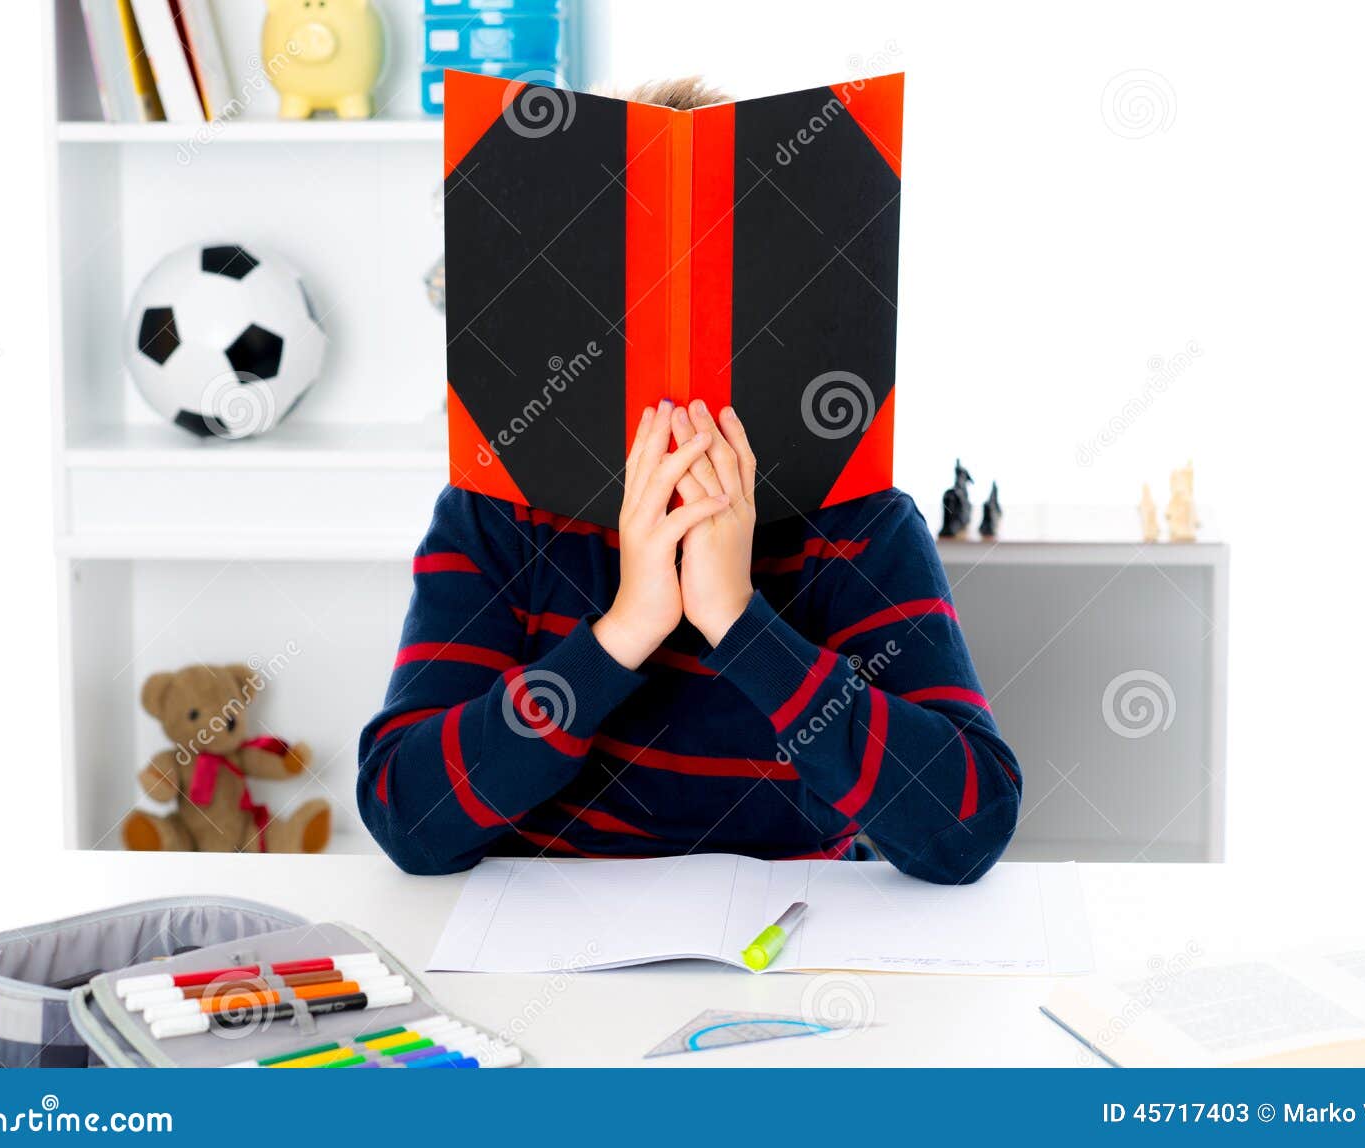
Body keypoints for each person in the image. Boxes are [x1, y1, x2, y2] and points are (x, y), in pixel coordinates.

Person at [357, 81, 1020, 884]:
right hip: (543, 965)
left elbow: (968, 832)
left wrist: (738, 620)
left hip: (788, 958)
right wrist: (623, 632)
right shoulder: (496, 514)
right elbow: (408, 818)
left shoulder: (860, 521)